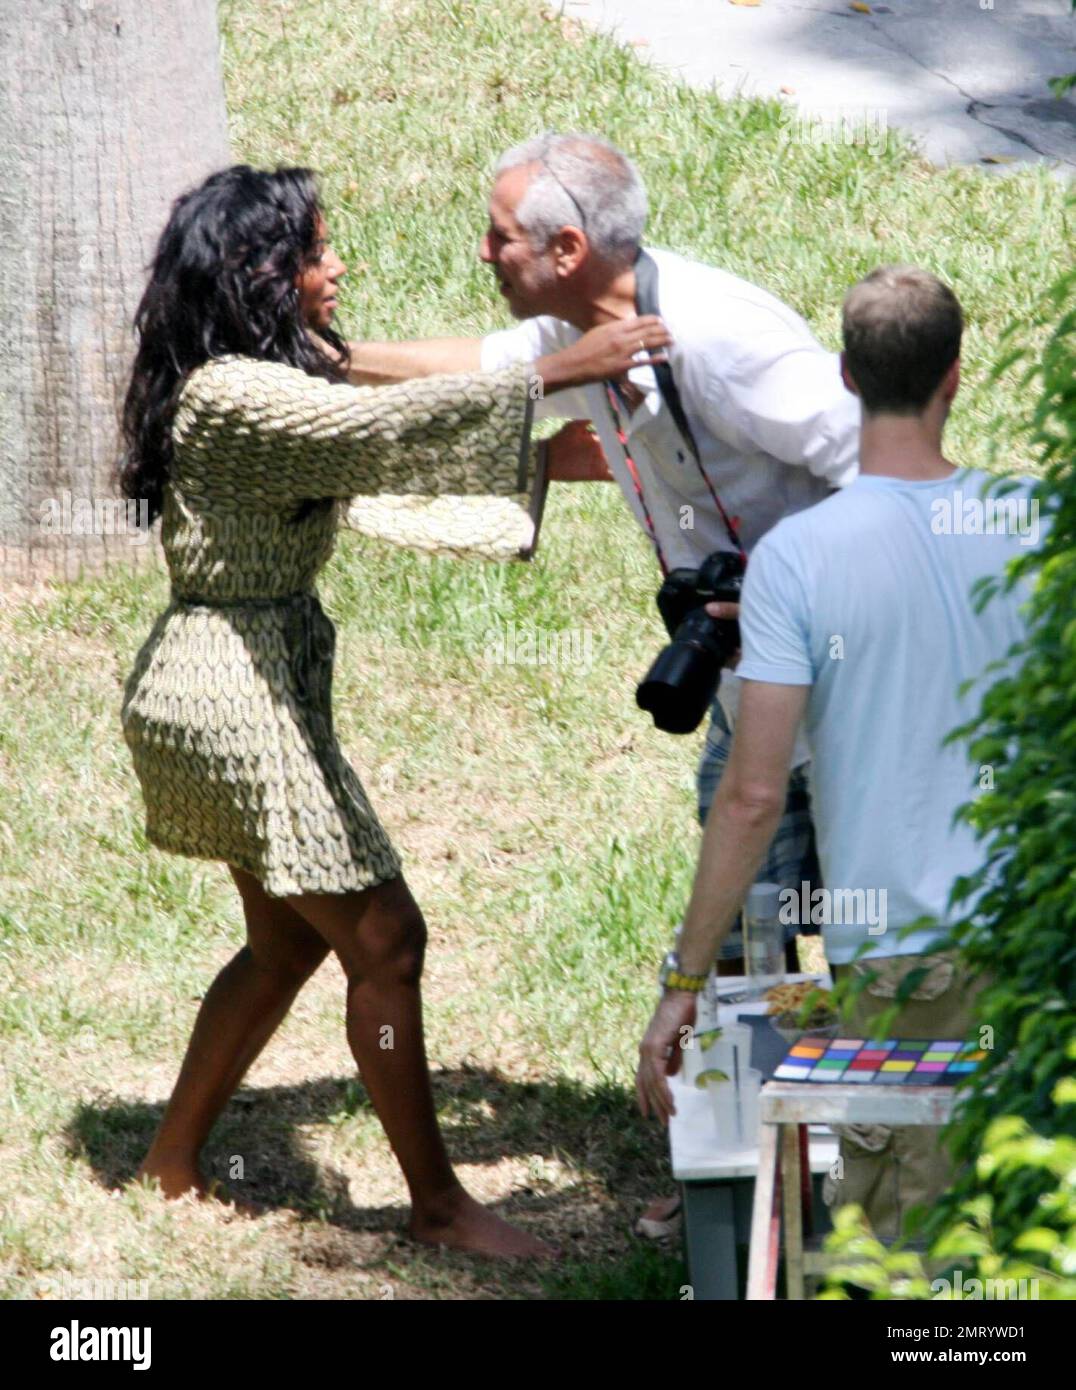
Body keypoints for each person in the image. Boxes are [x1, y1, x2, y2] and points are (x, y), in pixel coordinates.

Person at [118, 163, 669, 1259]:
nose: (338, 269)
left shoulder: (249, 384)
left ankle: (171, 1162)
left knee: (281, 946)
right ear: (263, 274)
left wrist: (621, 456)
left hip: (222, 682)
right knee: (388, 940)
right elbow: (394, 433)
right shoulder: (238, 395)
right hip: (231, 696)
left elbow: (403, 447)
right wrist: (566, 367)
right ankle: (436, 1208)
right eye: (319, 254)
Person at [346, 132, 861, 986]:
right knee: (742, 954)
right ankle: (751, 1108)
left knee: (862, 944)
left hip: (843, 685)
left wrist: (784, 587)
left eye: (499, 234)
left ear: (569, 248)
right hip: (743, 682)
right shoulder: (578, 330)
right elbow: (477, 371)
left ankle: (872, 1109)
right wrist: (335, 360)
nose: (483, 252)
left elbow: (884, 473)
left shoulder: (724, 340)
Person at [636, 265, 1040, 1240]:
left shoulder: (797, 560)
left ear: (846, 377)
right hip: (1037, 953)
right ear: (956, 373)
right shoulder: (1038, 526)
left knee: (917, 1256)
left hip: (901, 967)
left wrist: (682, 987)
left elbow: (750, 795)